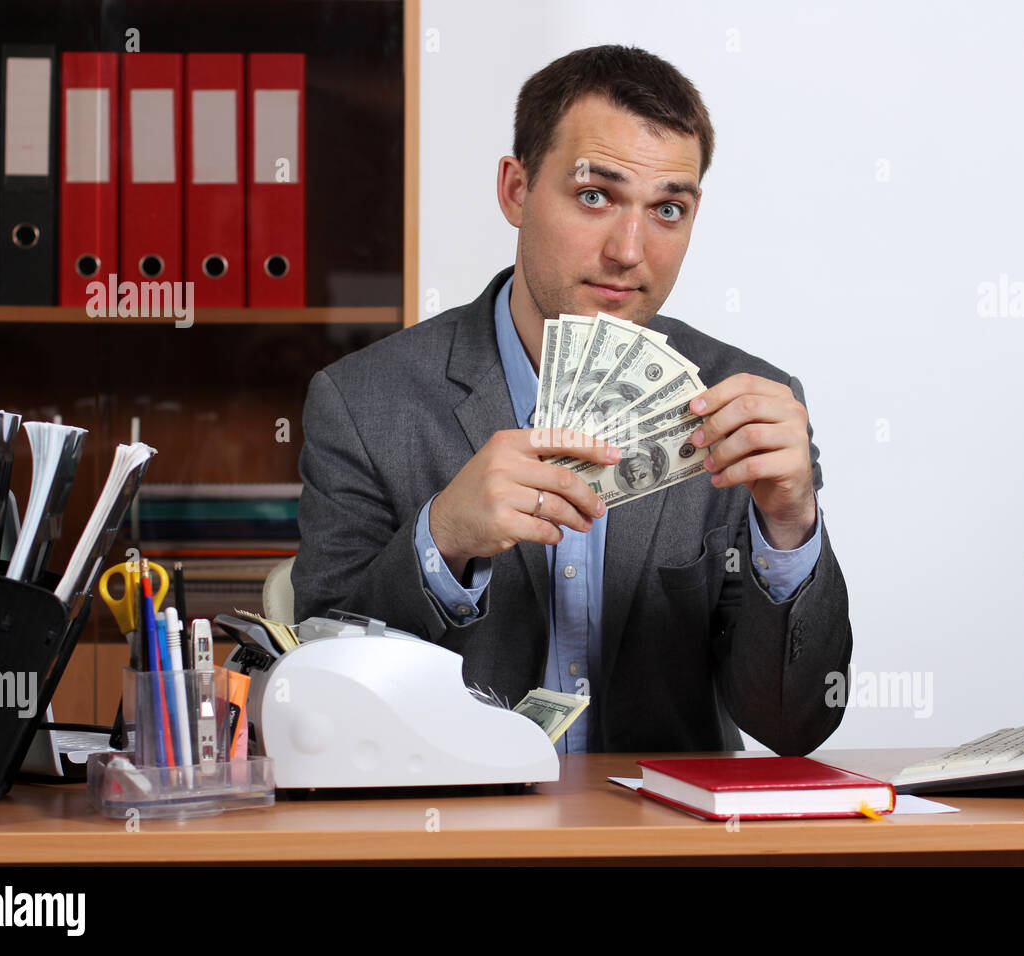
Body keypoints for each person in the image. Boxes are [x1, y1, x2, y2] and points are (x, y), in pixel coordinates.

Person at [293, 44, 853, 755]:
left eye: (667, 209)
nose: (629, 249)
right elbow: (318, 708)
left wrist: (790, 526)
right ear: (516, 190)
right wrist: (441, 542)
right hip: (461, 843)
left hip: (662, 846)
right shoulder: (364, 404)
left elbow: (795, 723)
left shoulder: (743, 406)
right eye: (596, 196)